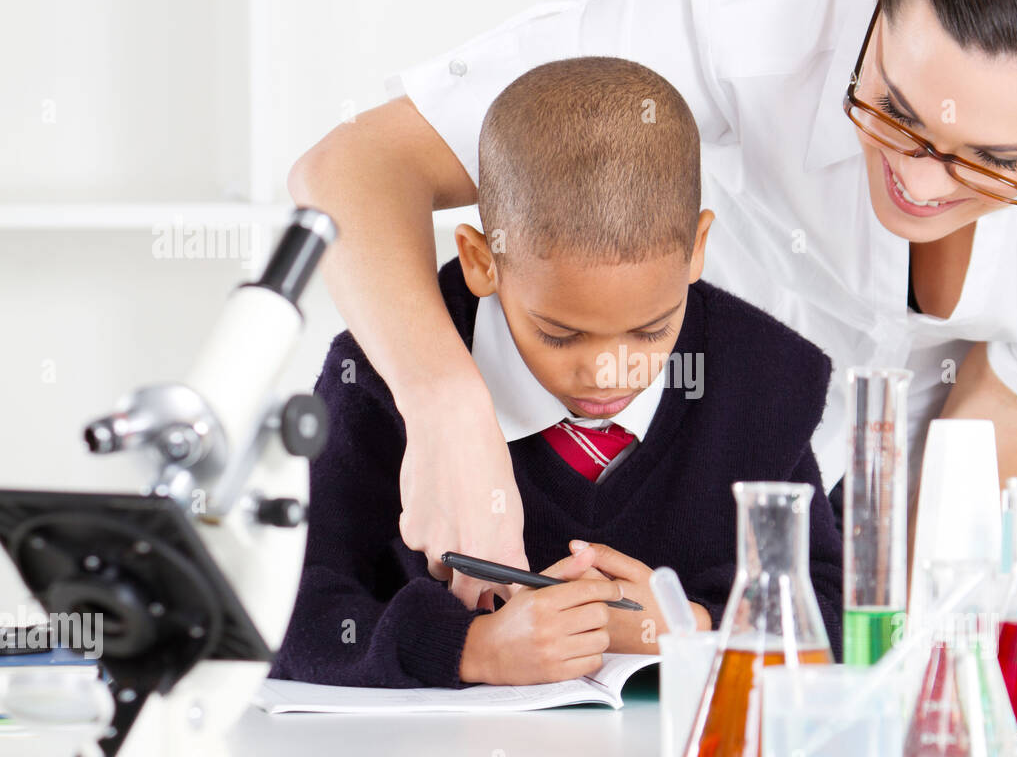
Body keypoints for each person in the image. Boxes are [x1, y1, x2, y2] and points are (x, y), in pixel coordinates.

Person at [289, 0, 1017, 601]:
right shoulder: (752, 2)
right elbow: (354, 168)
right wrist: (446, 409)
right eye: (895, 110)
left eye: (992, 160)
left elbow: (1003, 420)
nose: (916, 181)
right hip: (781, 384)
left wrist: (897, 643)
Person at [271, 57, 843, 688]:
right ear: (481, 260)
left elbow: (835, 609)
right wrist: (470, 648)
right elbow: (285, 609)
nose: (607, 371)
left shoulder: (762, 380)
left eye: (651, 329)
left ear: (696, 250)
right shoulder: (376, 378)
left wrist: (693, 626)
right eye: (561, 333)